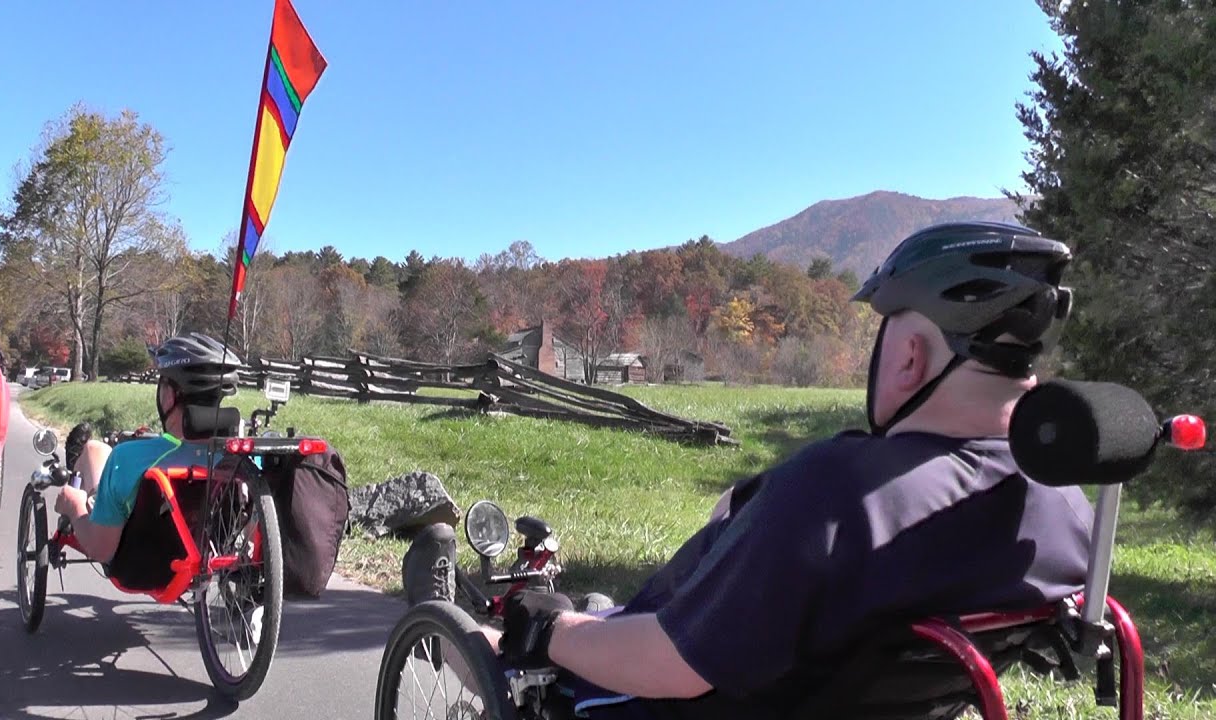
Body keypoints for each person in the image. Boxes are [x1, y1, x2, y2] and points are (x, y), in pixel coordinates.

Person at [400, 221, 1094, 719]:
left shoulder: (839, 494)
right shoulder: (1062, 508)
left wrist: (548, 631)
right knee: (605, 608)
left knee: (521, 639)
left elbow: (666, 665)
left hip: (671, 688)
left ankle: (459, 627)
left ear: (910, 355)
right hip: (823, 676)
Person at [54, 332, 244, 564]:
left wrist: (74, 507)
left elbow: (100, 551)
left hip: (140, 566)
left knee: (95, 450)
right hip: (209, 552)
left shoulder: (127, 457)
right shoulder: (239, 462)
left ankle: (82, 480)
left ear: (168, 396)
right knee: (97, 453)